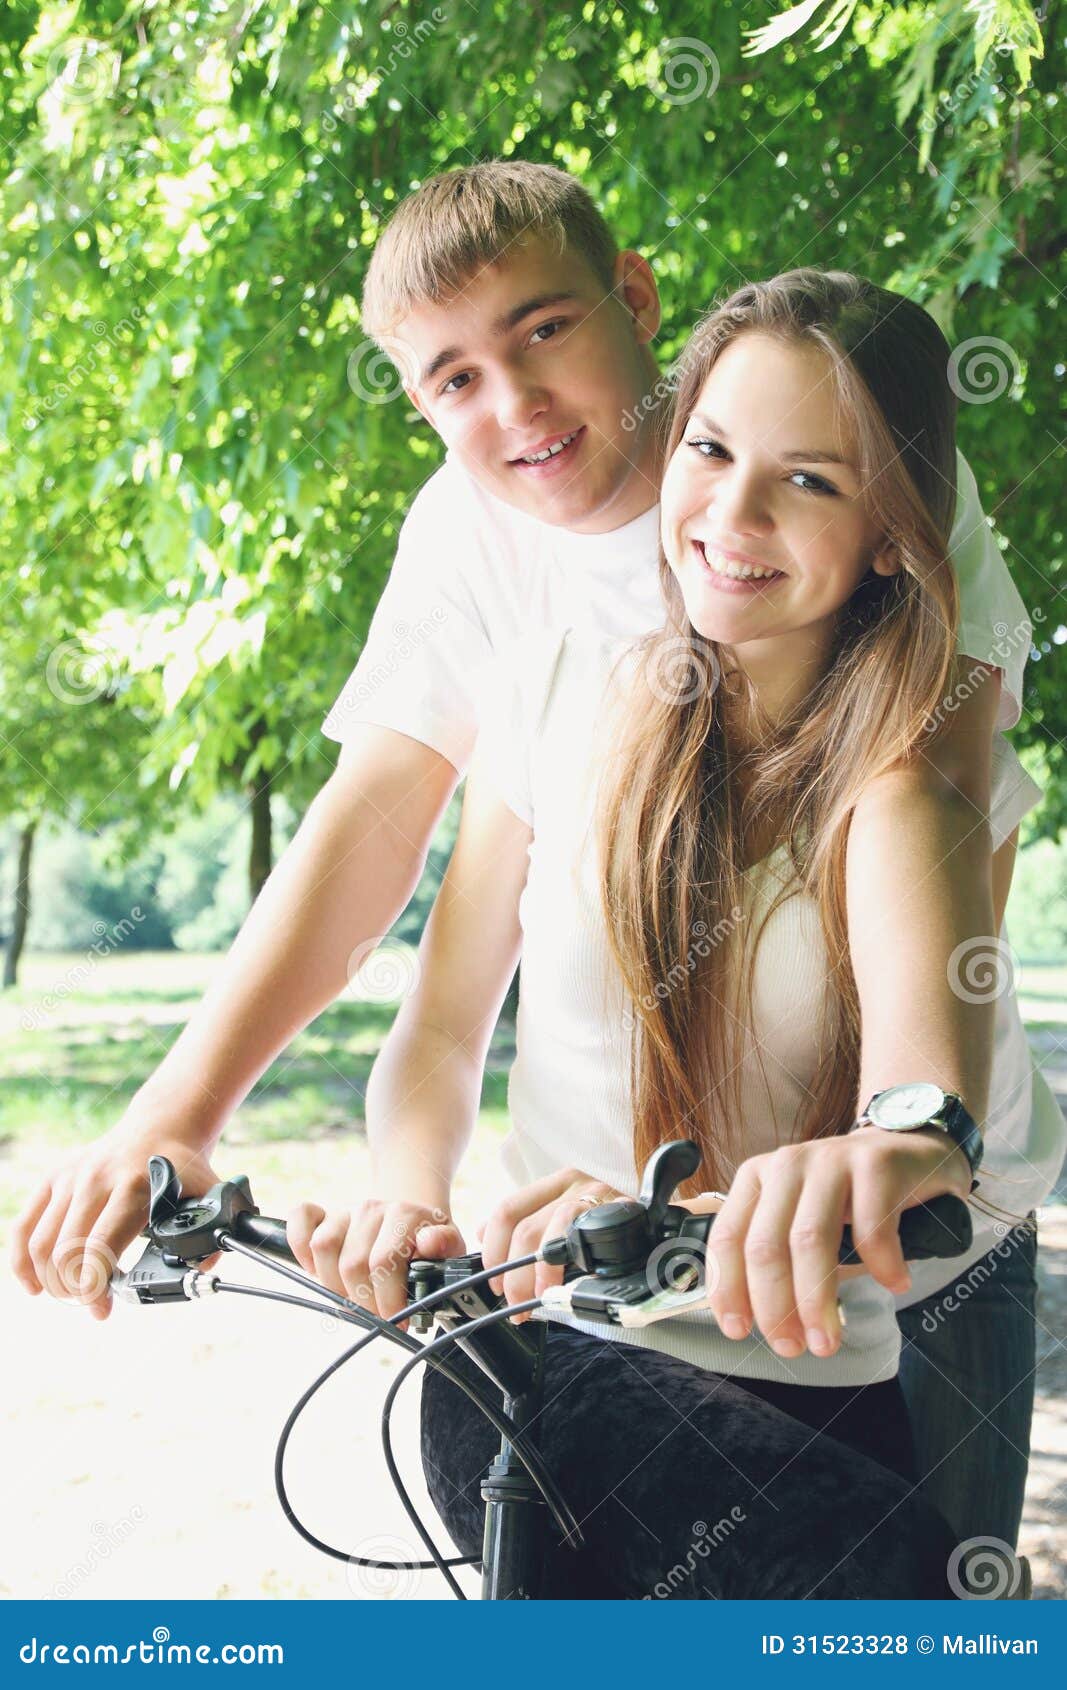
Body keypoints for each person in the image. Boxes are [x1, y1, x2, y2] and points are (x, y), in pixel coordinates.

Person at [10, 163, 1057, 1557]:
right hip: (595, 1277)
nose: (516, 406)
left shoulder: (839, 419)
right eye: (453, 379)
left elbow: (926, 829)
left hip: (905, 1235)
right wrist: (189, 1117)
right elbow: (379, 830)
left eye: (545, 330)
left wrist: (866, 1144)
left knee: (916, 1595)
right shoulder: (502, 583)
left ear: (635, 299)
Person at [337, 268, 1061, 1597]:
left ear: (890, 536)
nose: (733, 515)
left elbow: (925, 1103)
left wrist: (888, 1151)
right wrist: (402, 1195)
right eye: (712, 451)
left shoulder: (900, 797)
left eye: (811, 481)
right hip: (545, 1361)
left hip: (810, 1400)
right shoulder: (556, 693)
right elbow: (438, 1026)